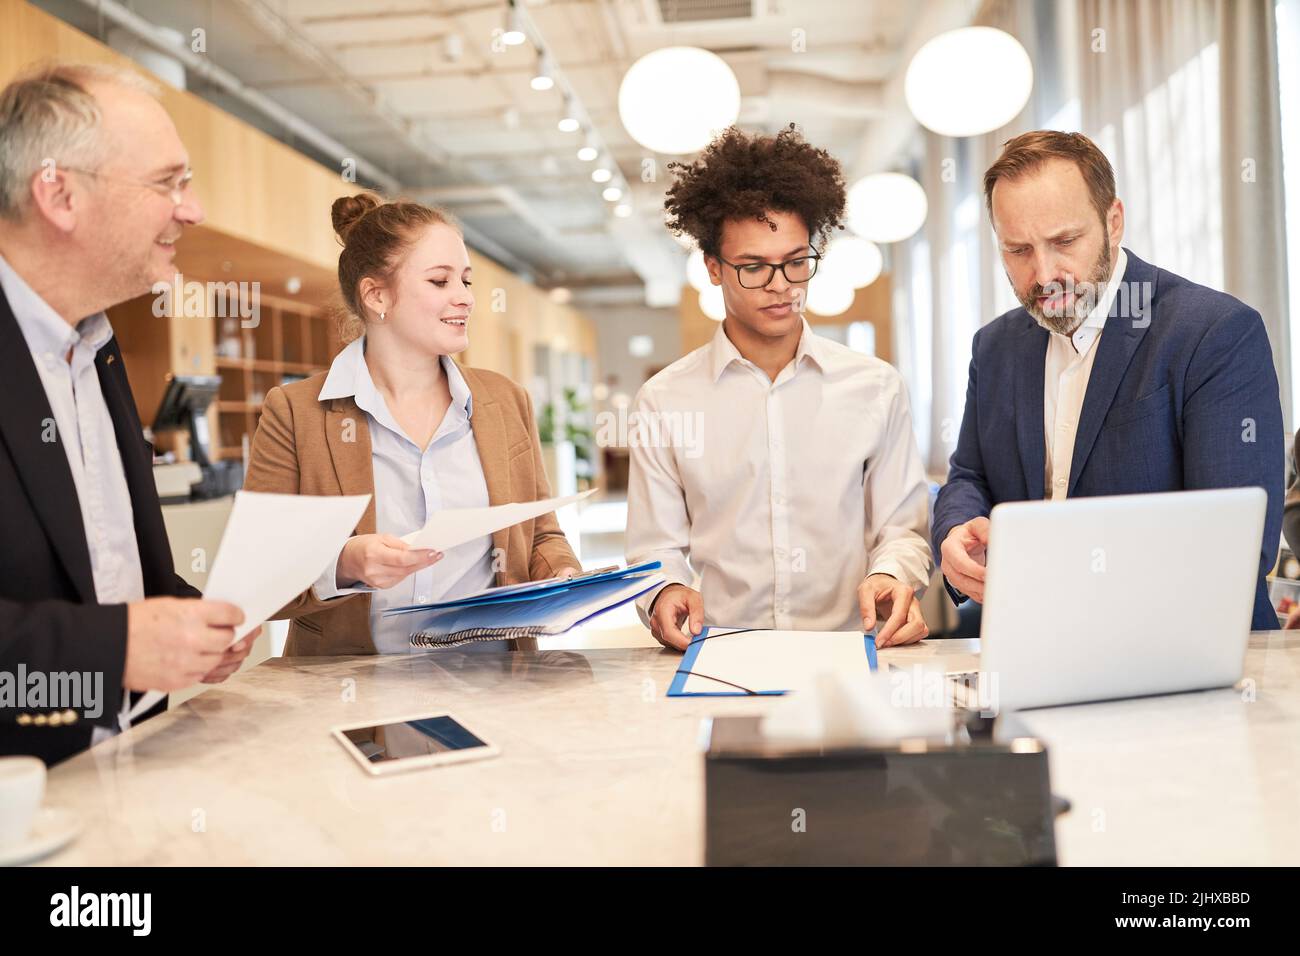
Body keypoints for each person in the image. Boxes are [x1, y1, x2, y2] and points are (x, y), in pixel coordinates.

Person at [0, 62, 255, 765]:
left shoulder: (98, 348)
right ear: (58, 193)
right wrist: (113, 651)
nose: (193, 209)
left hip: (128, 779)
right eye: (168, 182)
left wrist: (187, 620)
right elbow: (102, 634)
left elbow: (98, 568)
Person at [934, 130, 1283, 631]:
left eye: (1064, 241)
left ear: (1113, 221)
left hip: (1184, 659)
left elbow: (1235, 544)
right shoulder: (994, 346)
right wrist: (956, 530)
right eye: (1018, 250)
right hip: (1029, 650)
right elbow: (969, 475)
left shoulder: (1213, 332)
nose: (1044, 272)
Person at [626, 125, 933, 651]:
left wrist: (893, 574)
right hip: (719, 655)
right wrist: (665, 591)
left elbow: (902, 529)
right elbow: (656, 549)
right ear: (714, 269)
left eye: (795, 261)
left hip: (850, 651)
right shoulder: (664, 401)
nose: (780, 285)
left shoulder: (875, 387)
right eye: (752, 267)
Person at [242, 193, 581, 654]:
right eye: (440, 281)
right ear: (377, 295)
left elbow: (541, 534)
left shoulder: (505, 401)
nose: (464, 298)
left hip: (495, 687)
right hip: (356, 697)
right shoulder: (295, 412)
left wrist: (562, 576)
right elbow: (260, 572)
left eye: (465, 280)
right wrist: (344, 564)